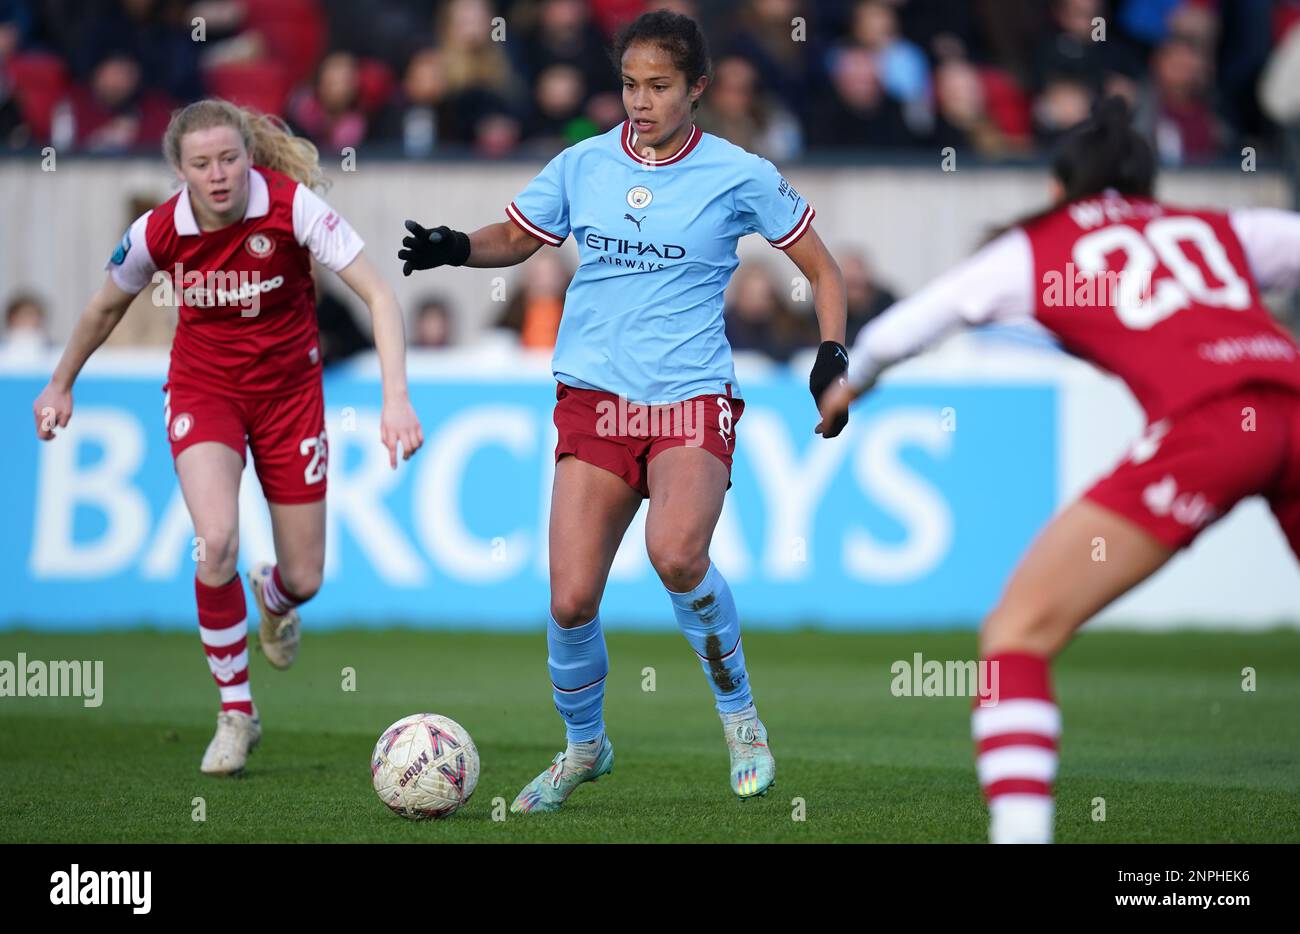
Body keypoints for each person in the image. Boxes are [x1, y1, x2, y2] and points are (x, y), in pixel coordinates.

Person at [399, 9, 849, 812]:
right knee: (571, 599)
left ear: (697, 88)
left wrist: (832, 355)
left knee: (676, 555)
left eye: (659, 86)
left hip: (689, 398)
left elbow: (823, 269)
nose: (640, 102)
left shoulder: (739, 174)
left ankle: (740, 716)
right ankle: (584, 748)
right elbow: (518, 235)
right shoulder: (582, 164)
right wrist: (456, 246)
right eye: (630, 85)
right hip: (595, 401)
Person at [817, 97, 1300, 843]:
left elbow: (912, 324)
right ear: (1149, 189)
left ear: (1057, 186)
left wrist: (854, 381)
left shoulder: (1038, 246)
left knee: (1018, 631)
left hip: (1212, 426)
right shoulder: (1215, 226)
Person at [31, 99, 423, 776]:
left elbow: (379, 295)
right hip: (204, 392)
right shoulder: (159, 231)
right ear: (178, 171)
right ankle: (236, 713)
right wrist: (60, 383)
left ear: (249, 155)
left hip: (290, 398)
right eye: (202, 164)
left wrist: (395, 400)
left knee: (306, 578)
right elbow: (103, 307)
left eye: (229, 159)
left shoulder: (293, 207)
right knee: (214, 541)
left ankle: (273, 597)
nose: (218, 175)